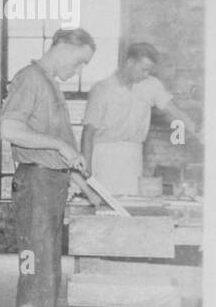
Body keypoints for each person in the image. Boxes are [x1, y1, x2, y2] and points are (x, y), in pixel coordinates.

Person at [0, 27, 96, 307]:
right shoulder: (30, 78)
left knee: (47, 266)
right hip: (36, 187)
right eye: (79, 61)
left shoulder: (49, 84)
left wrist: (85, 188)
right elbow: (9, 130)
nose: (79, 70)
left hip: (49, 185)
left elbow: (57, 155)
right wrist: (61, 145)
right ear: (64, 48)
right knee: (36, 266)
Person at [82, 42, 199, 196]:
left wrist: (199, 131)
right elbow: (88, 134)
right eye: (144, 69)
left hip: (133, 156)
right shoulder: (101, 89)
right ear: (130, 62)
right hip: (103, 156)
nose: (146, 74)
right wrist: (87, 173)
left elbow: (175, 111)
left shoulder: (151, 85)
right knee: (103, 208)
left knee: (131, 207)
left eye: (149, 71)